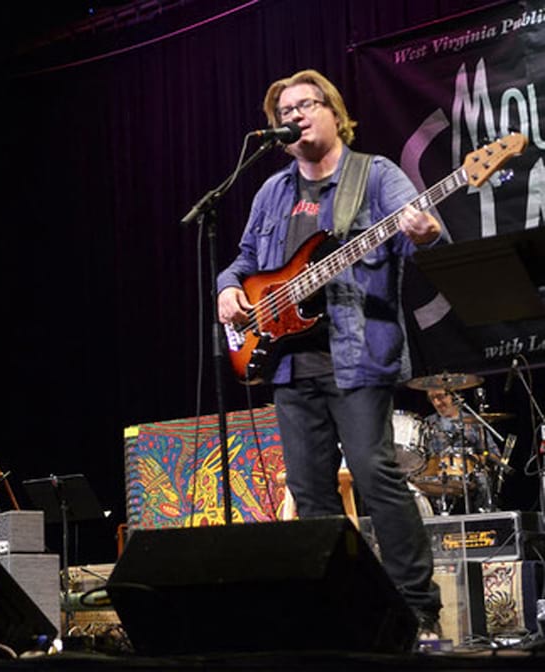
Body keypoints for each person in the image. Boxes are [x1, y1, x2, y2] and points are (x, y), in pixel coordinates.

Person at [216, 69, 446, 638]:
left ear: (333, 112)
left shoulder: (374, 176)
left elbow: (423, 232)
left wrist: (422, 231)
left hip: (359, 356)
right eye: (284, 112)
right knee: (310, 491)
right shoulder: (273, 191)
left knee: (374, 473)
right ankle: (338, 610)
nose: (294, 116)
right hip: (288, 364)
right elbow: (244, 263)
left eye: (305, 105)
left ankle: (417, 604)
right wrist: (227, 289)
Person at [419, 387, 500, 514]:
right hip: (435, 477)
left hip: (469, 476)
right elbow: (419, 457)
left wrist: (479, 459)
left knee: (483, 481)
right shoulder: (426, 424)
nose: (436, 403)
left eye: (440, 397)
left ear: (454, 396)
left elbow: (493, 454)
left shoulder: (474, 422)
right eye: (432, 399)